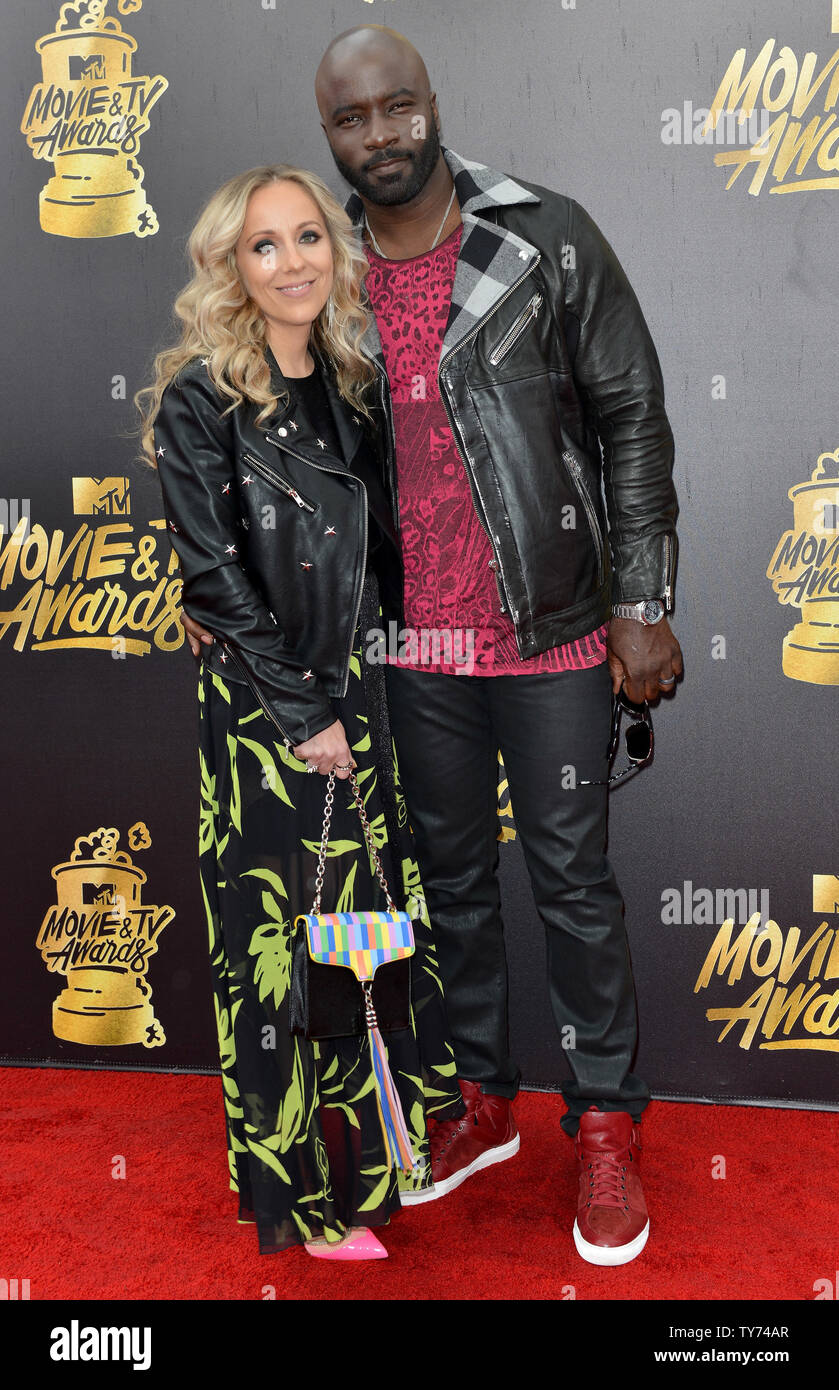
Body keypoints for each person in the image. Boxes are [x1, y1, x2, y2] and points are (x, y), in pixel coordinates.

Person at [183, 24, 683, 1268]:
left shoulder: (539, 237)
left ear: (430, 105)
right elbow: (265, 438)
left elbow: (627, 410)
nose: (380, 136)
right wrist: (215, 574)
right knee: (444, 889)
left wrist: (644, 596)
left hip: (557, 631)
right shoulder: (324, 267)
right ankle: (477, 1100)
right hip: (403, 647)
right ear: (329, 135)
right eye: (352, 121)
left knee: (571, 886)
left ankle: (606, 1125)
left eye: (397, 108)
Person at [136, 162, 464, 1261]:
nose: (292, 262)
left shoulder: (349, 383)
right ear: (232, 267)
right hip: (265, 720)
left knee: (359, 945)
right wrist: (301, 707)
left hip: (356, 703)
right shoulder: (200, 400)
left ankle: (373, 1163)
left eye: (308, 237)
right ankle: (296, 1200)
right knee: (273, 957)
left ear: (337, 248)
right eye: (264, 245)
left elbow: (382, 557)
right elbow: (214, 581)